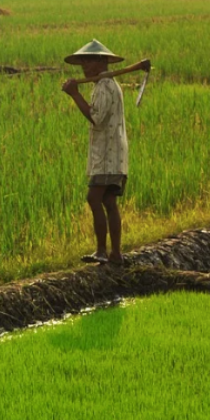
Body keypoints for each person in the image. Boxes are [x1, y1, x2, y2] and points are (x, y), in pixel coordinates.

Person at [61, 40, 148, 266]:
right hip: (112, 153)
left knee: (94, 198)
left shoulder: (104, 86)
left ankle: (102, 251)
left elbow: (96, 118)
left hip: (107, 156)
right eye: (82, 61)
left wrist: (74, 95)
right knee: (109, 201)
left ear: (102, 61)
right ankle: (116, 254)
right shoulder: (105, 84)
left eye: (89, 60)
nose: (84, 66)